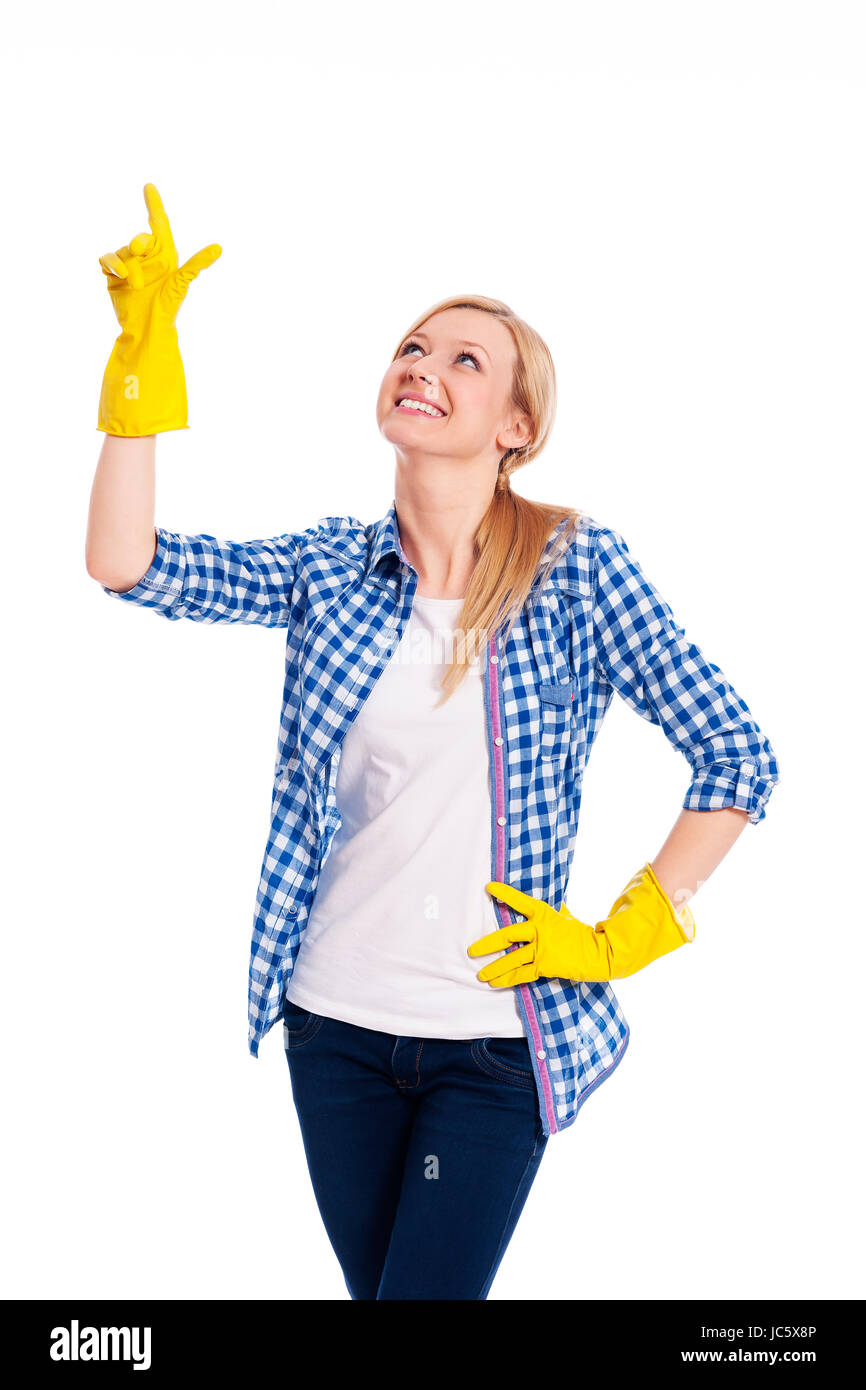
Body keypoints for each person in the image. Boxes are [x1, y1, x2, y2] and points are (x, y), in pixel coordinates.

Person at [86, 184, 781, 1301]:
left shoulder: (575, 571)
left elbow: (737, 755)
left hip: (493, 1044)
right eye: (413, 347)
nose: (425, 365)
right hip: (333, 1026)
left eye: (466, 360)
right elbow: (130, 565)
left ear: (516, 427)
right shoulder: (327, 567)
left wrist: (618, 937)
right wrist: (138, 372)